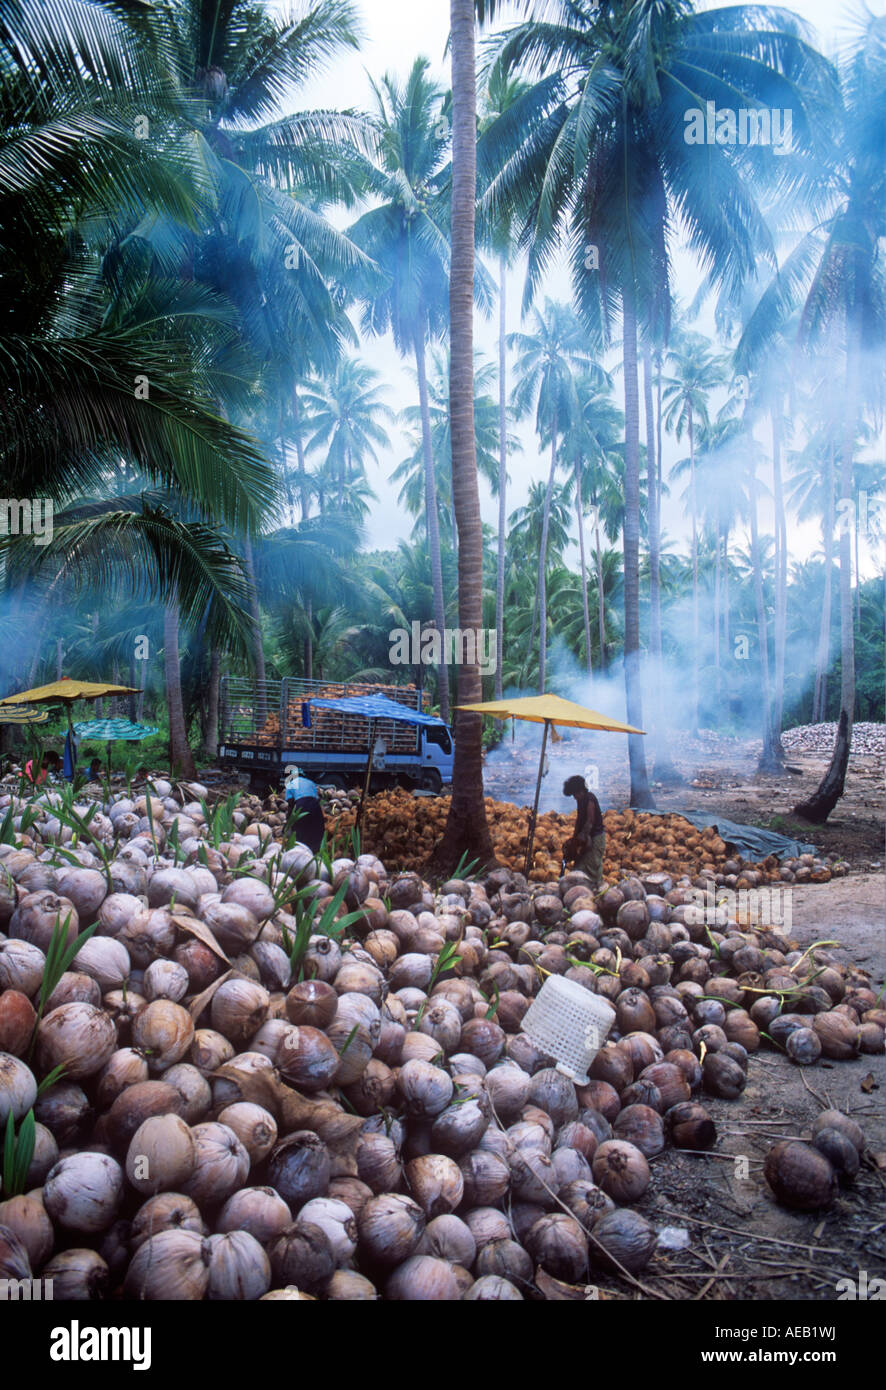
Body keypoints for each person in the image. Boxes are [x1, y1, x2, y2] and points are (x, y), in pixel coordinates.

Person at [562, 774, 607, 890]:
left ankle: (593, 891)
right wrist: (575, 838)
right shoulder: (580, 800)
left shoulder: (590, 798)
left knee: (591, 866)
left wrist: (582, 836)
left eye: (575, 794)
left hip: (596, 838)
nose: (574, 797)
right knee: (580, 867)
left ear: (581, 790)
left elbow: (590, 821)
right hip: (586, 838)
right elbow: (579, 820)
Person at [283, 764, 325, 852]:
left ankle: (300, 851)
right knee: (316, 829)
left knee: (299, 830)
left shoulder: (290, 783)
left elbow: (291, 805)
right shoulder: (311, 782)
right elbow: (317, 798)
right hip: (315, 806)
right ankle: (316, 851)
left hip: (302, 804)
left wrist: (289, 822)